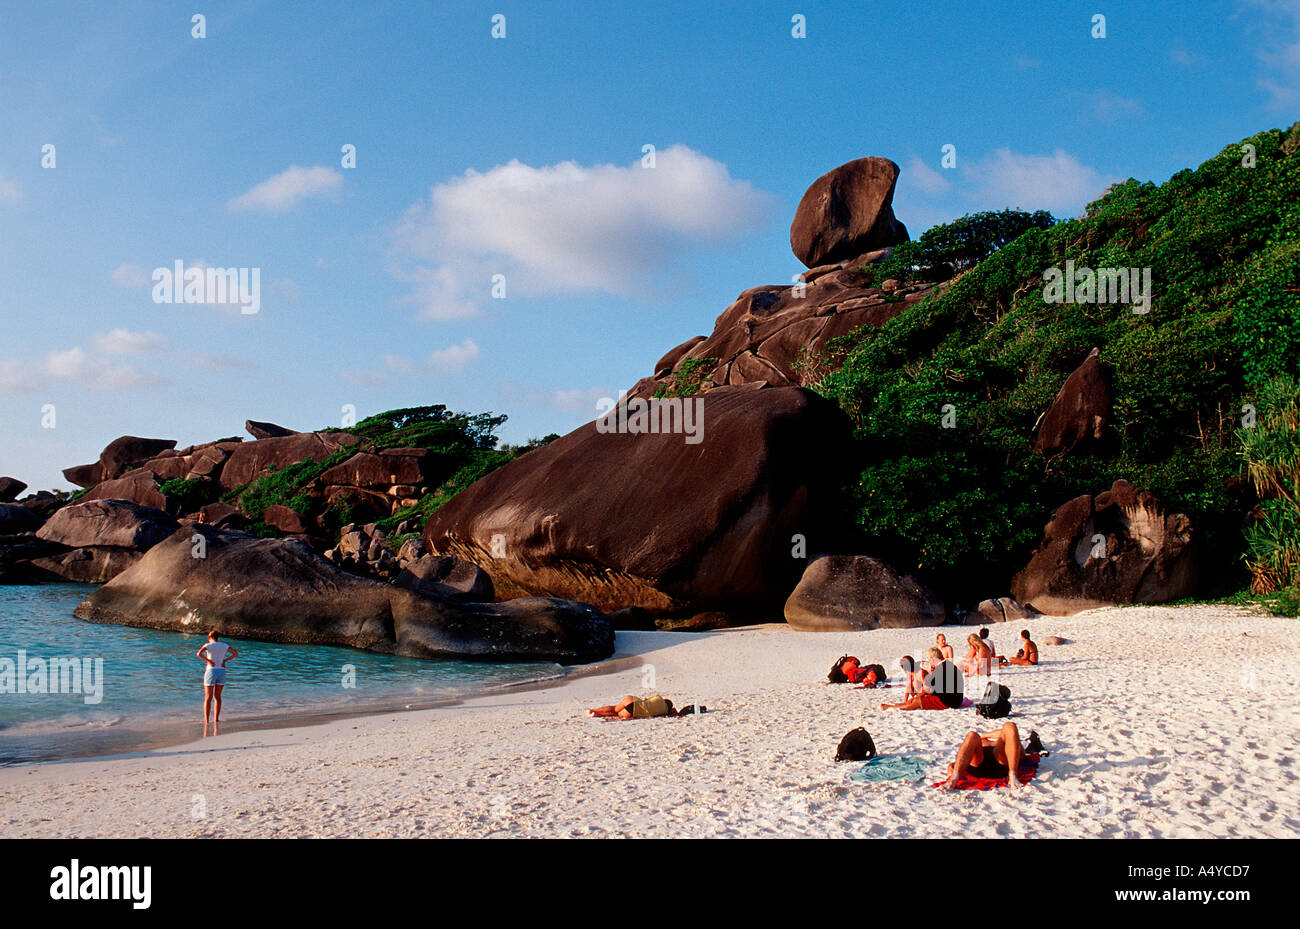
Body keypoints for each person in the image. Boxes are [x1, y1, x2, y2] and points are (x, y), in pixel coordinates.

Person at [940, 721, 1026, 791]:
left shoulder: (1011, 744)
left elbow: (1009, 730)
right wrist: (955, 765)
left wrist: (985, 735)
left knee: (1010, 725)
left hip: (1001, 763)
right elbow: (966, 753)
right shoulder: (982, 740)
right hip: (977, 764)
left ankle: (1012, 774)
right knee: (972, 734)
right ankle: (955, 777)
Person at [883, 648, 963, 710]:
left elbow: (927, 688)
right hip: (955, 699)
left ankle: (895, 707)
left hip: (949, 701)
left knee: (918, 701)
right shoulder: (948, 665)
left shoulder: (940, 669)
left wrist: (917, 697)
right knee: (919, 698)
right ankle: (897, 705)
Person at [196, 630, 237, 732]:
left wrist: (209, 660)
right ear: (218, 637)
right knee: (218, 697)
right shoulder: (224, 645)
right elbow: (235, 654)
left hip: (211, 671)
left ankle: (206, 720)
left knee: (208, 697)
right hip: (221, 671)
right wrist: (225, 661)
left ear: (210, 637)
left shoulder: (208, 645)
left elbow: (199, 654)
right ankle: (216, 719)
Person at [587, 694, 676, 719]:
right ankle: (596, 715)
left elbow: (645, 699)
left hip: (633, 701)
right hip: (634, 712)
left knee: (615, 708)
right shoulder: (663, 712)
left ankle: (593, 710)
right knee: (617, 714)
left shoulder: (658, 697)